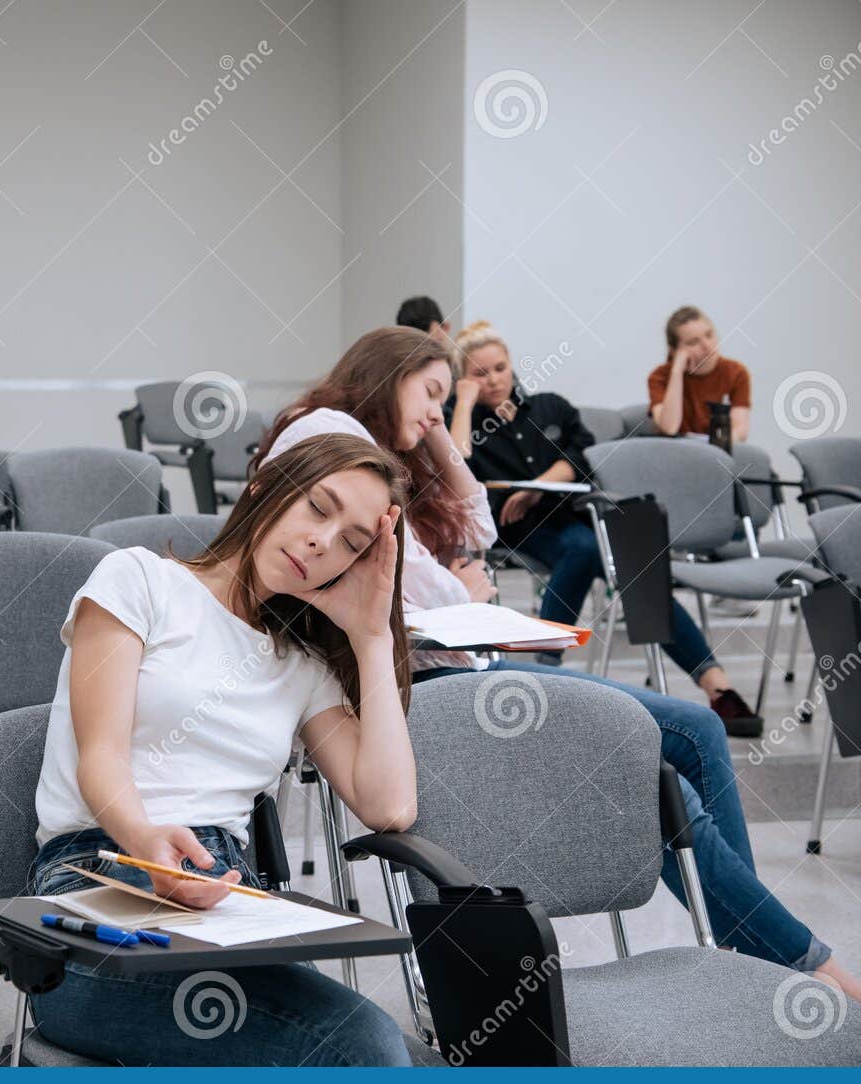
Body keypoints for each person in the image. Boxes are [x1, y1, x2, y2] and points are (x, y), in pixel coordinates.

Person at [257, 327, 861, 1002]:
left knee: (696, 730)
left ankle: (753, 950)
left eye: (443, 398)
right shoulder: (331, 431)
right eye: (428, 393)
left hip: (456, 662)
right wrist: (463, 588)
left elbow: (479, 532)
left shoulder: (386, 450)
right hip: (415, 683)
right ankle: (791, 963)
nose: (435, 411)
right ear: (385, 373)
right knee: (654, 775)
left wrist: (437, 437)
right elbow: (430, 589)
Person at [30, 433, 416, 1066]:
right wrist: (144, 840)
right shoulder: (139, 579)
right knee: (359, 1050)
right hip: (97, 887)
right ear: (264, 488)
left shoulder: (303, 664)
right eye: (318, 507)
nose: (323, 542)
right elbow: (99, 755)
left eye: (351, 544)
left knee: (362, 1047)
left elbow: (389, 806)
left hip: (226, 893)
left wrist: (372, 637)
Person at [449, 321, 764, 734]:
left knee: (633, 568)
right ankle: (716, 686)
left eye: (500, 368)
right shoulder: (463, 421)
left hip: (575, 515)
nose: (493, 380)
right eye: (479, 374)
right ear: (463, 379)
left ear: (512, 366)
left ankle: (547, 669)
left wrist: (537, 487)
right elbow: (456, 466)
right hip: (519, 529)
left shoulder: (549, 406)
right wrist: (462, 402)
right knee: (602, 555)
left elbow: (582, 452)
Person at [647, 305, 750, 440]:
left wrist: (714, 444)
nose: (707, 346)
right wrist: (677, 372)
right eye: (693, 342)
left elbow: (740, 431)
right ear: (674, 351)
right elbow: (669, 428)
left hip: (716, 448)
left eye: (709, 335)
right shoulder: (659, 376)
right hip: (674, 449)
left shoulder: (736, 373)